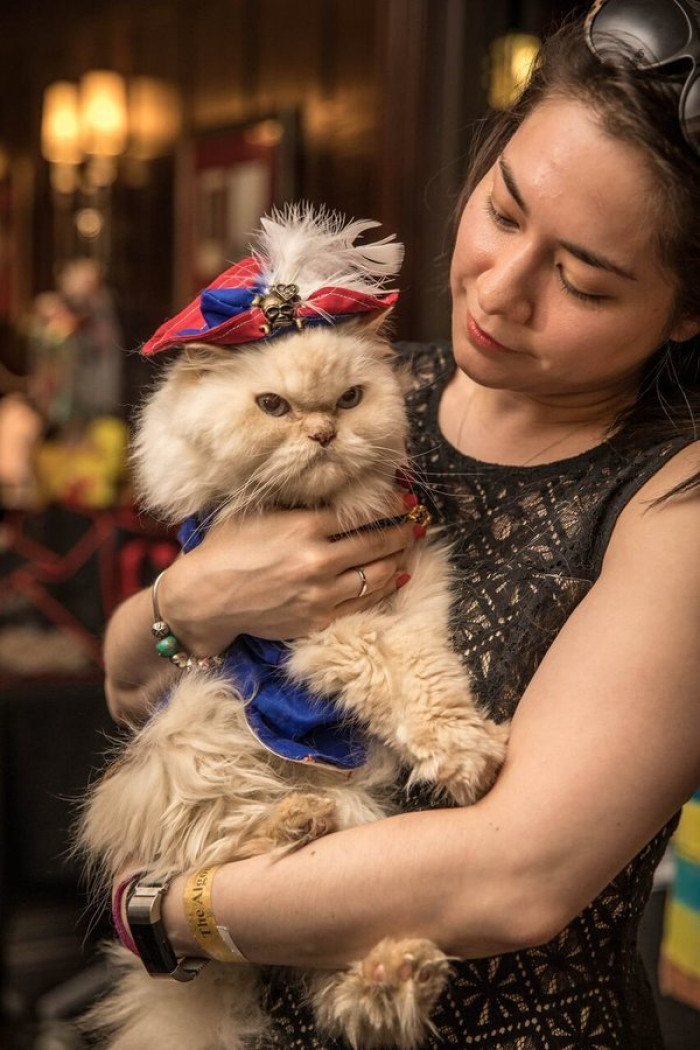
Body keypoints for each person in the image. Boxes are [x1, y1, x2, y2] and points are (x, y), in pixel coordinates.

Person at [104, 2, 700, 1046]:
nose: (500, 292)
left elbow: (514, 878)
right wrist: (190, 600)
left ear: (687, 311)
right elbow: (128, 683)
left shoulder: (674, 504)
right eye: (503, 213)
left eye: (579, 279)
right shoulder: (366, 387)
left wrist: (168, 910)